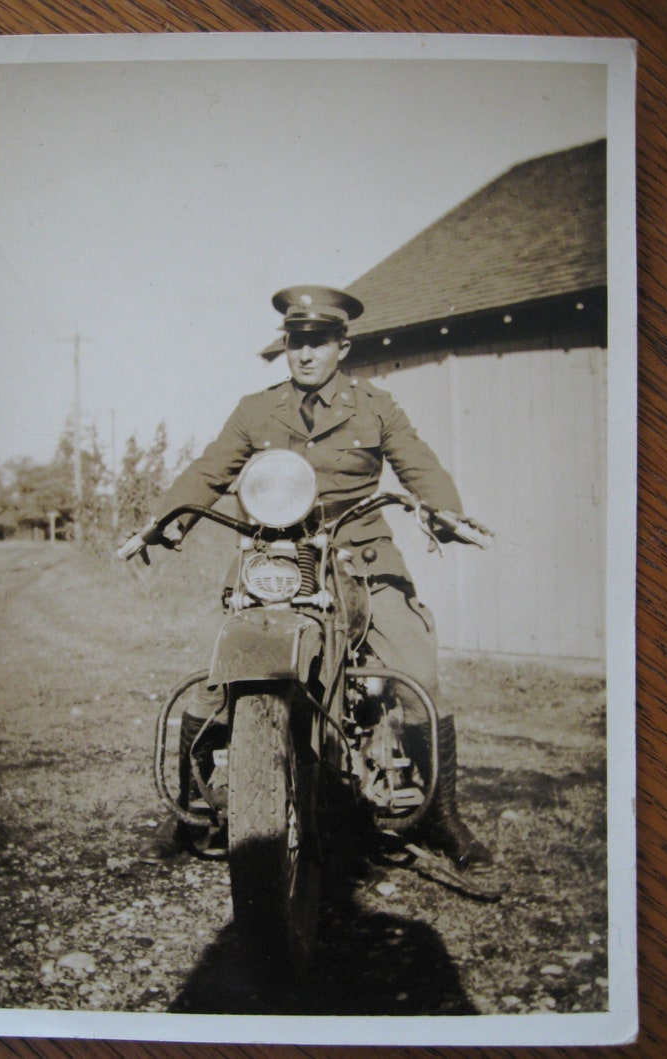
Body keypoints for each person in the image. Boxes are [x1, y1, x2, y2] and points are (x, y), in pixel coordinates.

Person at [129, 286, 492, 870]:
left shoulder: (377, 406)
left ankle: (442, 816)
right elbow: (208, 470)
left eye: (318, 343)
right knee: (216, 684)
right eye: (297, 342)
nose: (305, 354)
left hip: (362, 558)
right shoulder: (255, 409)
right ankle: (191, 813)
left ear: (340, 347)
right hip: (276, 561)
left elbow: (418, 463)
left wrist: (443, 511)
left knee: (416, 671)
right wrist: (159, 521)